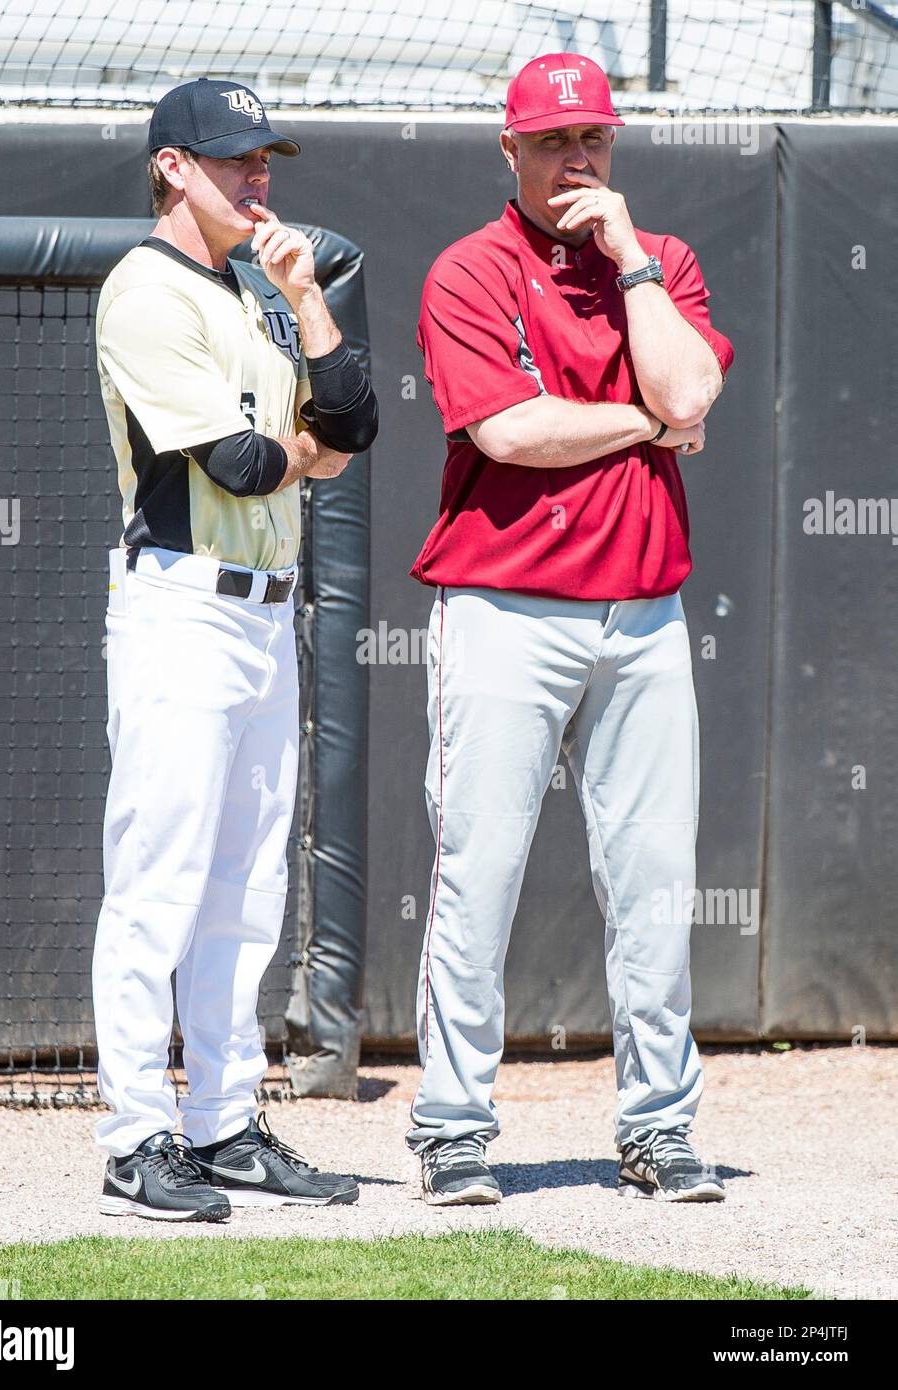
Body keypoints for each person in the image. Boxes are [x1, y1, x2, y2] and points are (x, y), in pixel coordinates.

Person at [407, 53, 734, 1205]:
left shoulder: (665, 263)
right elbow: (509, 432)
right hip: (502, 611)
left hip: (644, 615)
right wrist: (646, 419)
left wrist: (633, 264)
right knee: (477, 874)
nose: (576, 159)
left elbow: (692, 396)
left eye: (592, 138)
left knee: (653, 883)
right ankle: (452, 1128)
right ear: (510, 150)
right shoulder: (471, 270)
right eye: (551, 141)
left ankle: (659, 1128)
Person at [92, 78, 377, 1220]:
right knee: (157, 882)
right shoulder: (144, 289)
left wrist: (307, 298)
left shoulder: (260, 291)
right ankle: (132, 1141)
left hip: (267, 612)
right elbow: (244, 465)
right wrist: (304, 450)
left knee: (247, 887)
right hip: (182, 606)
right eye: (235, 160)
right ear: (173, 167)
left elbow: (352, 424)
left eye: (267, 160)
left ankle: (219, 1123)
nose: (260, 180)